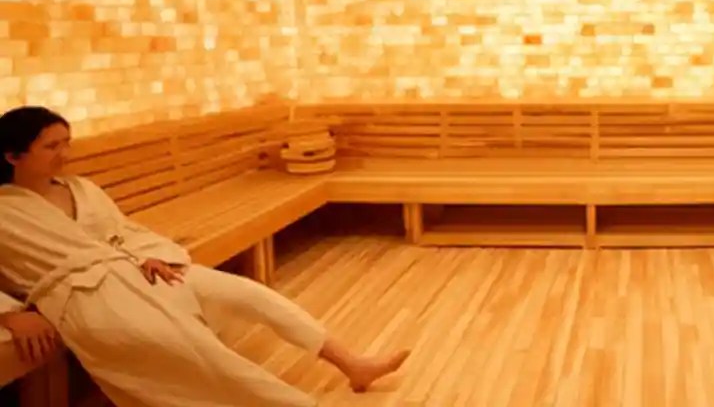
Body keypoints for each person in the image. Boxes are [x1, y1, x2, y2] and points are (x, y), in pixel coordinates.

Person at [0, 106, 410, 406]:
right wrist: (11, 313)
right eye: (51, 146)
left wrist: (148, 256)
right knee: (198, 350)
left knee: (252, 295)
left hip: (142, 271)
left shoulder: (81, 189)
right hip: (88, 297)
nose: (64, 154)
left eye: (66, 143)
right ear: (12, 156)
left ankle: (354, 364)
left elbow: (121, 233)